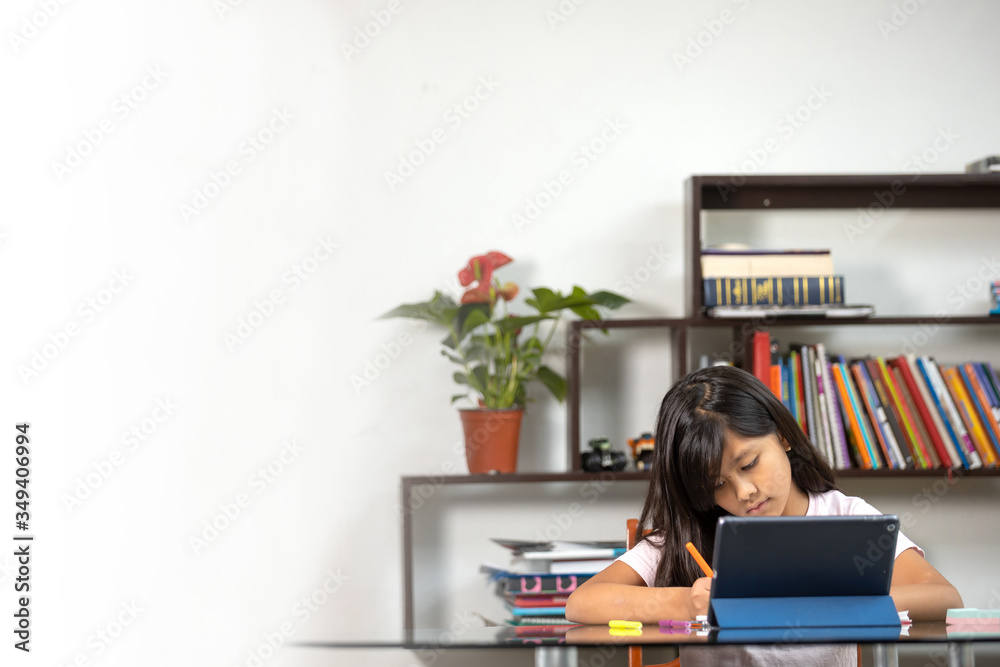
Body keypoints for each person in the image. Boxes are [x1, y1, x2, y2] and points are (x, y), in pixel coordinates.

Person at [564, 365, 963, 664]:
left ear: (783, 436)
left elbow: (944, 598)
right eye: (716, 485)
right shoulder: (690, 535)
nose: (743, 492)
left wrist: (830, 604)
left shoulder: (844, 516)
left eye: (749, 463)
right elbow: (582, 603)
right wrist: (688, 603)